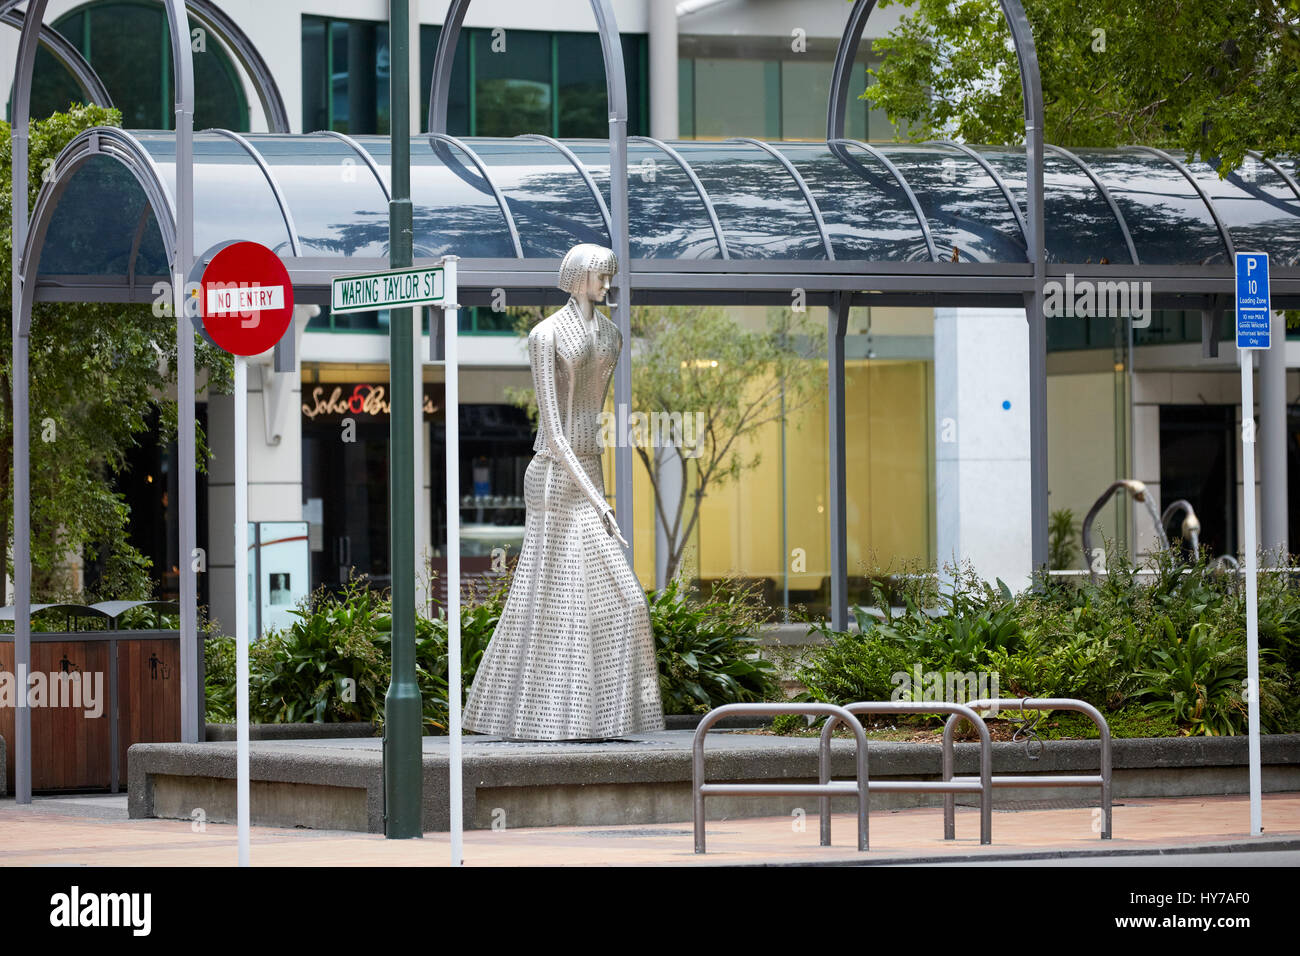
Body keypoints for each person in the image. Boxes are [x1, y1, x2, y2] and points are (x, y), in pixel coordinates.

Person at [462, 243, 665, 740]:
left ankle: (593, 716)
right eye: (600, 275)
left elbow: (590, 420)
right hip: (554, 475)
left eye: (609, 276)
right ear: (577, 276)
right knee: (551, 597)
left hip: (589, 470)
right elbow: (554, 433)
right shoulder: (545, 334)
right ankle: (539, 716)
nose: (606, 284)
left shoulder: (613, 335)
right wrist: (601, 502)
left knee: (621, 601)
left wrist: (599, 491)